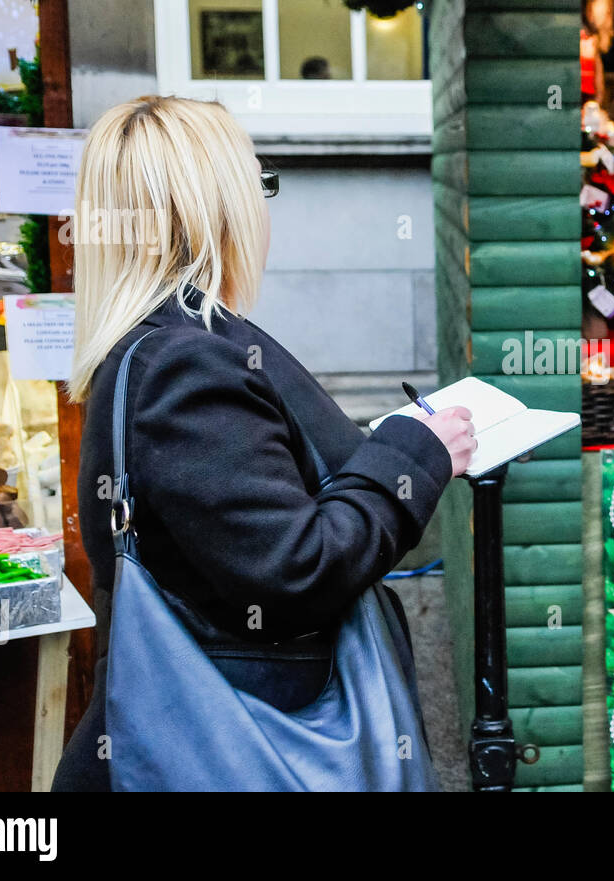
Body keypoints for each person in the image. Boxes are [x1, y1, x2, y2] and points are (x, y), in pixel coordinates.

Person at [52, 96, 476, 791]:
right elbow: (294, 568)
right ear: (217, 206)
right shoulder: (183, 366)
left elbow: (250, 505)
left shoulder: (156, 348)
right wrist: (411, 452)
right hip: (241, 744)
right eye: (258, 185)